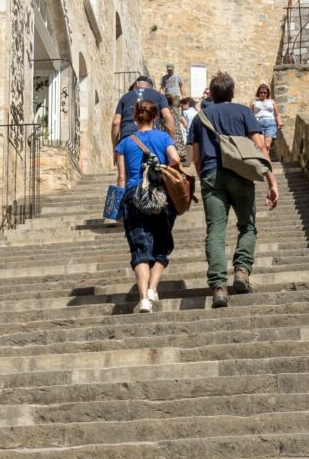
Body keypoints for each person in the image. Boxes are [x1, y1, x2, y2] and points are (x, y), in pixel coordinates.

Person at [188, 70, 278, 309]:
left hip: (211, 175)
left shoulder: (199, 118)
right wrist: (272, 183)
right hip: (241, 174)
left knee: (215, 231)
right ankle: (241, 271)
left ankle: (219, 287)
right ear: (232, 92)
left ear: (213, 94)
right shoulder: (244, 112)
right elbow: (260, 147)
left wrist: (205, 177)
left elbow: (195, 158)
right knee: (247, 225)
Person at [114, 99, 180, 312]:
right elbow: (176, 159)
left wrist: (117, 209)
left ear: (135, 118)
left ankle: (143, 299)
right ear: (155, 118)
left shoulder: (125, 142)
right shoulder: (163, 137)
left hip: (133, 196)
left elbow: (121, 177)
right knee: (162, 245)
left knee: (139, 249)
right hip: (160, 195)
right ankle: (152, 288)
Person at [110, 74, 176, 158]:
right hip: (153, 138)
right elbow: (167, 116)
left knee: (127, 170)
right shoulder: (160, 96)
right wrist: (170, 142)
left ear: (136, 84)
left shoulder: (125, 97)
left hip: (128, 138)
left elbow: (116, 123)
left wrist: (115, 148)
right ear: (150, 86)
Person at [252, 82, 282, 160]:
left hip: (270, 124)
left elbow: (277, 114)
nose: (263, 94)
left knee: (267, 145)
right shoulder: (254, 102)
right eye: (261, 92)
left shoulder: (271, 102)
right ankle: (266, 162)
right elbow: (250, 114)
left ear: (267, 93)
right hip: (258, 124)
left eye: (265, 92)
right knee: (261, 145)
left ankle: (265, 161)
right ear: (258, 93)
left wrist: (280, 123)